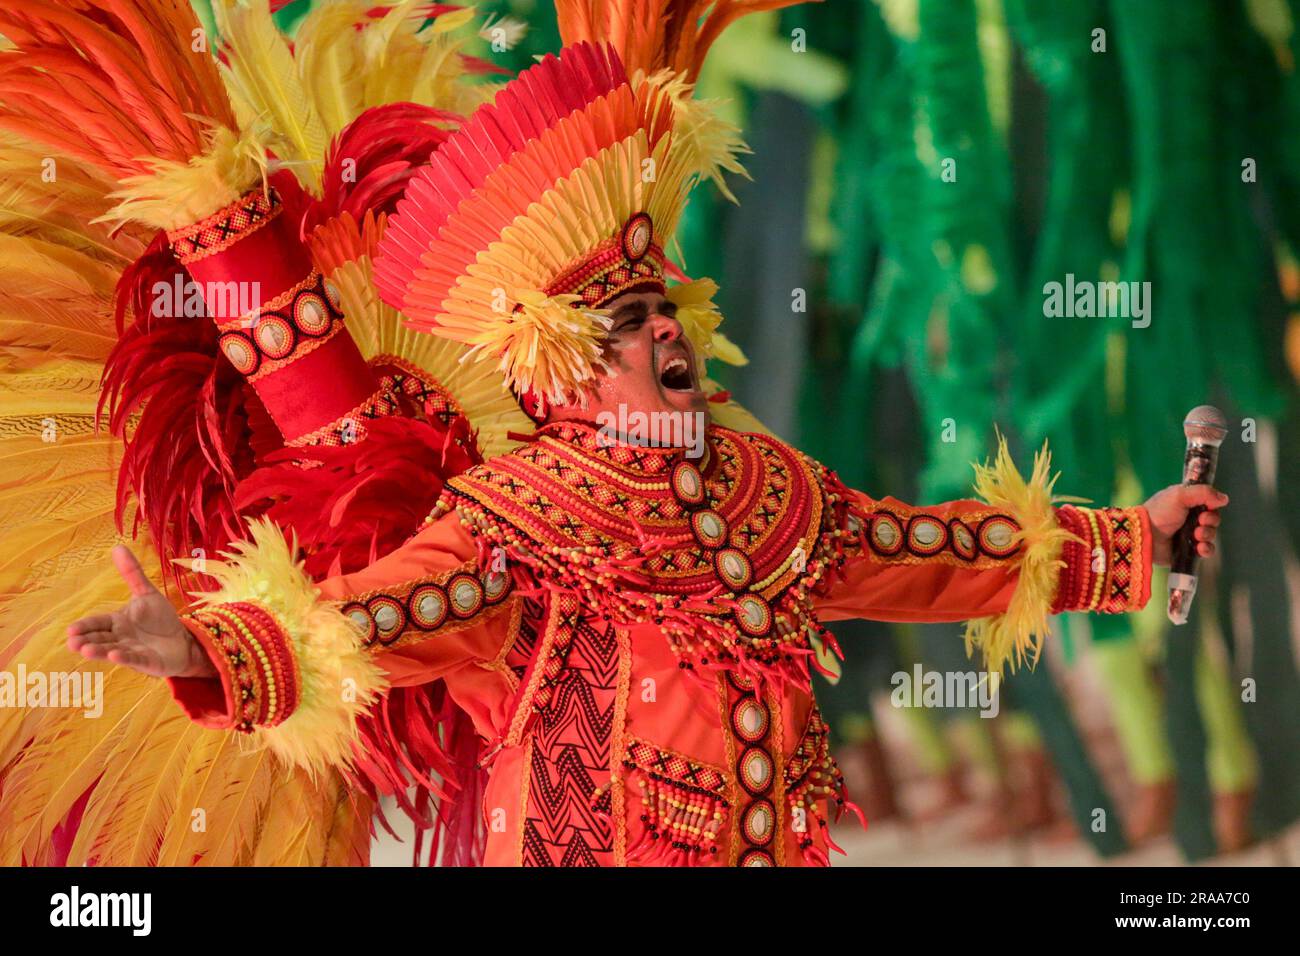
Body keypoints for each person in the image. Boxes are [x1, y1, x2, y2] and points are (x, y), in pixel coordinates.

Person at [5, 0, 1226, 867]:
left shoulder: (764, 488)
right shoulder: (517, 519)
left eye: (666, 307)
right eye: (630, 320)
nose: (669, 332)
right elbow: (366, 616)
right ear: (566, 361)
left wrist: (1128, 540)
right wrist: (212, 648)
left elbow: (929, 547)